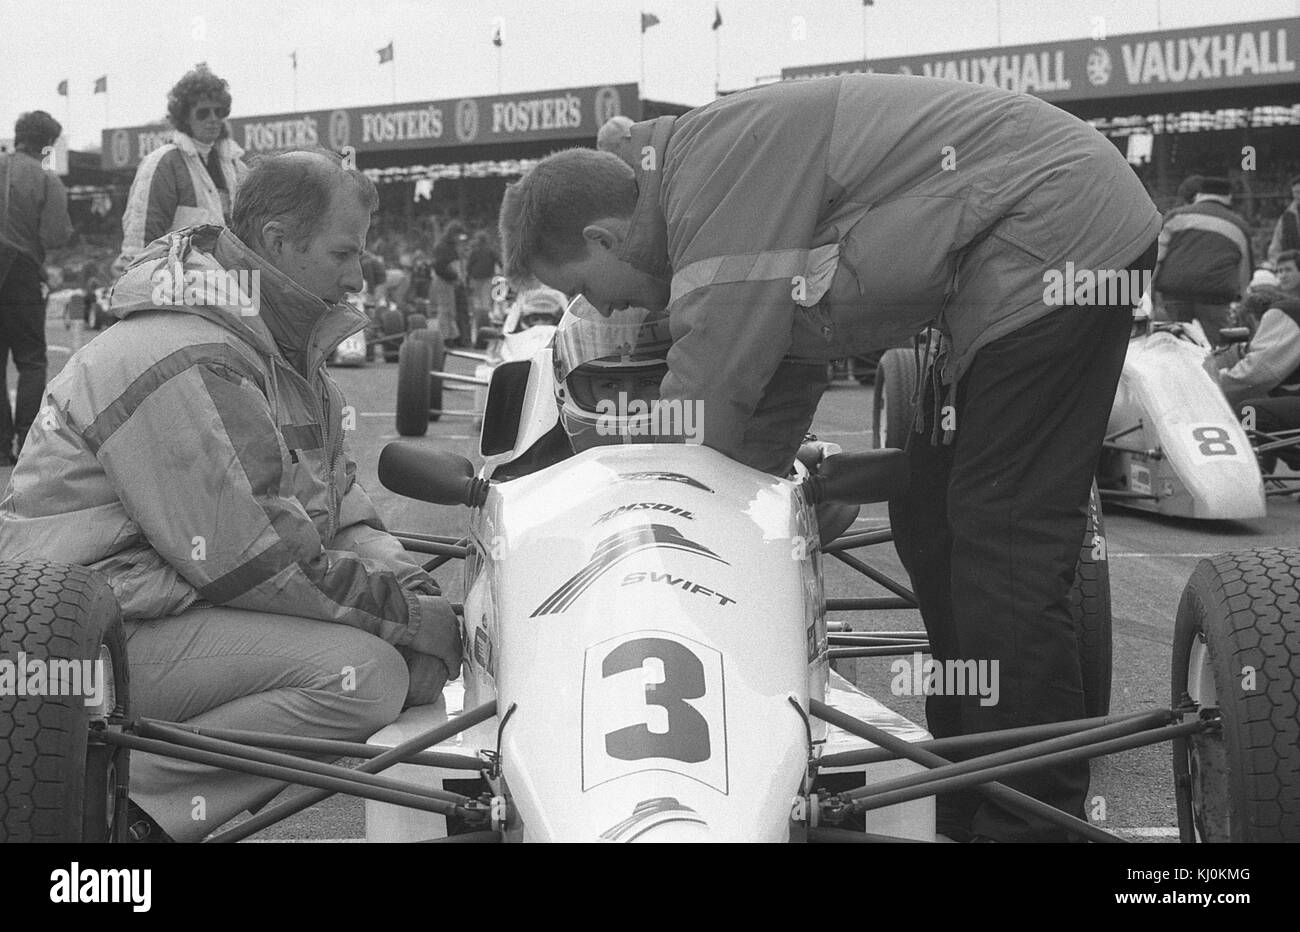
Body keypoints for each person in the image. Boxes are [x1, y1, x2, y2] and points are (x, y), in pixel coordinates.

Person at [499, 73, 1160, 842]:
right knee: (930, 519)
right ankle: (966, 779)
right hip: (1008, 254)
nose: (606, 311)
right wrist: (759, 497)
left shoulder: (713, 174)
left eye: (588, 290)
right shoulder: (698, 188)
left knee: (1004, 537)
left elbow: (712, 390)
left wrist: (628, 501)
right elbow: (784, 365)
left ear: (602, 240)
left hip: (1059, 237)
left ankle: (1032, 820)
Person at [0, 150, 460, 842]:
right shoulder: (187, 351)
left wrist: (415, 588)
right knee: (363, 674)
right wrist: (409, 619)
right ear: (277, 242)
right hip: (70, 648)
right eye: (343, 253)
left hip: (155, 615)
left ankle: (133, 796)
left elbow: (345, 515)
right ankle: (119, 815)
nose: (358, 276)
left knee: (400, 661)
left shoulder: (281, 352)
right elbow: (257, 564)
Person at [114, 64, 248, 274]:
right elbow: (140, 239)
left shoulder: (235, 165)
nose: (214, 118)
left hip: (227, 283)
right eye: (203, 112)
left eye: (219, 111)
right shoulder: (162, 163)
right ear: (185, 117)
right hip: (179, 287)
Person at [0, 110, 72, 464]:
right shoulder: (46, 179)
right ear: (47, 143)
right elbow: (55, 235)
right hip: (21, 272)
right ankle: (25, 440)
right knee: (30, 360)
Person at [1152, 176, 1253, 346]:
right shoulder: (1239, 226)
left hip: (1175, 293)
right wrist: (1240, 300)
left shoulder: (1175, 216)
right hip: (1216, 297)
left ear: (1199, 194)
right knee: (1221, 347)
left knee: (1173, 346)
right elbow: (1244, 273)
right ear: (1229, 196)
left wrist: (1148, 294)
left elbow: (1155, 258)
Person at [1208, 249, 1300, 408]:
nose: (1283, 275)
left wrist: (1209, 388)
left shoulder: (1285, 312)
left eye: (1288, 269)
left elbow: (1257, 374)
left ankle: (1245, 433)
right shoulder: (1288, 308)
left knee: (1248, 410)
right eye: (1279, 270)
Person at [466, 230, 500, 336]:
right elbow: (500, 261)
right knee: (486, 301)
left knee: (477, 301)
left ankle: (478, 321)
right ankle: (485, 321)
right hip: (487, 278)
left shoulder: (474, 251)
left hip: (475, 279)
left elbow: (469, 266)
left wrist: (467, 278)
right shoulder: (491, 250)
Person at [1267, 175, 1300, 265]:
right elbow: (1275, 248)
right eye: (1295, 192)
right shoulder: (1286, 218)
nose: (1298, 196)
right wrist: (1276, 264)